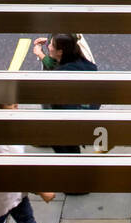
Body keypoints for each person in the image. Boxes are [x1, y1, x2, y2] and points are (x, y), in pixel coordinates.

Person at [33, 32, 98, 160]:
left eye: (51, 45)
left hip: (70, 123)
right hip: (86, 115)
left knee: (64, 148)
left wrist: (40, 53)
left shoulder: (60, 76)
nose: (49, 46)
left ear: (60, 52)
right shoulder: (85, 64)